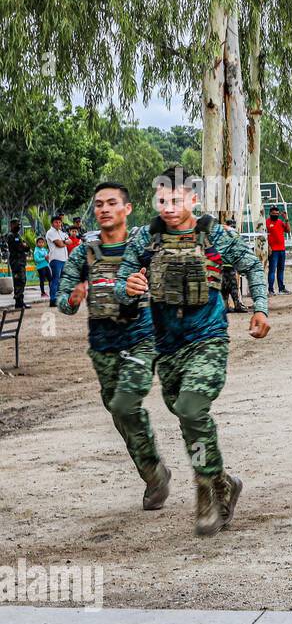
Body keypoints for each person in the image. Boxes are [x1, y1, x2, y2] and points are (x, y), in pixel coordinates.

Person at [114, 167, 271, 536]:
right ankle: (223, 483)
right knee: (186, 416)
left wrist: (260, 307)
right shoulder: (146, 239)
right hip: (167, 348)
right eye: (162, 200)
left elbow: (251, 264)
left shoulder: (213, 235)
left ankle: (205, 491)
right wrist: (130, 286)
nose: (168, 207)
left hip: (208, 341)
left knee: (191, 408)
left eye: (177, 199)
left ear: (194, 199)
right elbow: (120, 283)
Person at [58, 183, 171, 508]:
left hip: (141, 339)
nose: (104, 209)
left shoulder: (144, 244)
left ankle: (153, 475)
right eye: (98, 204)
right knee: (119, 412)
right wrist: (72, 299)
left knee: (124, 405)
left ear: (127, 208)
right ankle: (153, 473)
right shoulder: (86, 251)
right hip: (103, 345)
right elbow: (62, 299)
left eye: (111, 203)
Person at [221, 219, 249, 313]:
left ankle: (235, 305)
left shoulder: (229, 236)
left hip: (229, 266)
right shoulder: (225, 236)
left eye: (233, 226)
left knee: (232, 287)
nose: (232, 228)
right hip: (224, 266)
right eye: (231, 226)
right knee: (226, 288)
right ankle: (227, 306)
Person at [45, 214, 69, 306]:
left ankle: (60, 299)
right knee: (55, 279)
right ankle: (53, 299)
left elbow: (69, 241)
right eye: (56, 222)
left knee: (62, 280)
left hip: (64, 259)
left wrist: (64, 242)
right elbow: (59, 244)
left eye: (59, 222)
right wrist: (65, 242)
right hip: (55, 259)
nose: (58, 223)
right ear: (52, 223)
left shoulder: (62, 233)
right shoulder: (50, 232)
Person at [4, 219, 28, 309]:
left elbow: (26, 247)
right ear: (12, 225)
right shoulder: (10, 235)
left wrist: (24, 246)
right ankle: (18, 302)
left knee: (22, 281)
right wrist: (23, 246)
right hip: (16, 262)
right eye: (17, 224)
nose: (18, 226)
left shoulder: (18, 235)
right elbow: (19, 247)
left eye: (19, 225)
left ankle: (21, 301)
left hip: (21, 261)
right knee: (19, 281)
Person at [265, 206, 289, 295]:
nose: (275, 215)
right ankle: (271, 290)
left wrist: (286, 219)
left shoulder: (280, 222)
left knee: (281, 269)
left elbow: (288, 230)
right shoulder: (266, 222)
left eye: (277, 214)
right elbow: (263, 236)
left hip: (282, 250)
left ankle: (281, 288)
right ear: (270, 214)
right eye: (273, 214)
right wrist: (268, 247)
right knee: (272, 270)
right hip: (273, 251)